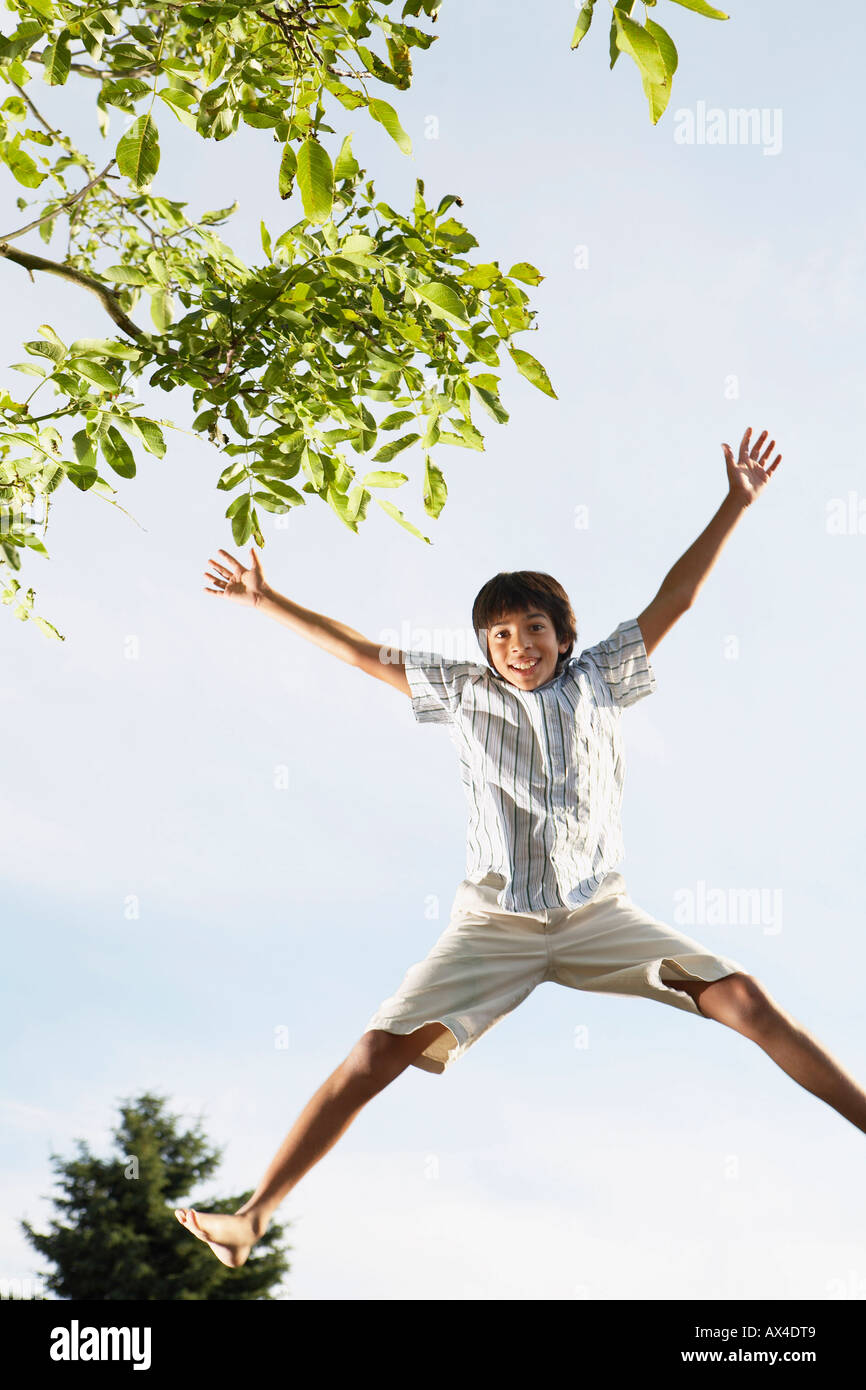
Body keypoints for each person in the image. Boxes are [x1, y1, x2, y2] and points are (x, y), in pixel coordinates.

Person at [175, 426, 866, 1270]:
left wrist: (734, 504)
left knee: (744, 998)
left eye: (532, 629)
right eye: (500, 636)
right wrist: (265, 599)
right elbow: (360, 653)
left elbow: (675, 601)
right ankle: (252, 1217)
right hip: (492, 922)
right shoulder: (462, 692)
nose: (517, 647)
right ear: (485, 650)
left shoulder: (601, 677)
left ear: (562, 634)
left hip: (597, 913)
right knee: (371, 1054)